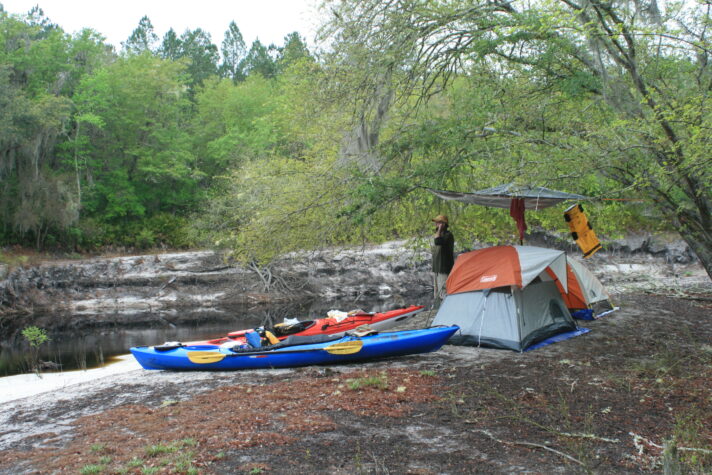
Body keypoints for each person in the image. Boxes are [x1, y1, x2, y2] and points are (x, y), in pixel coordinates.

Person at [431, 214, 454, 303]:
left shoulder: (448, 235)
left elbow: (437, 241)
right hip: (437, 269)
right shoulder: (439, 234)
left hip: (444, 268)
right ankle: (438, 311)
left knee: (444, 291)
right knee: (437, 292)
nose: (436, 224)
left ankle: (447, 310)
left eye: (438, 223)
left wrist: (439, 229)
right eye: (436, 223)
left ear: (443, 224)